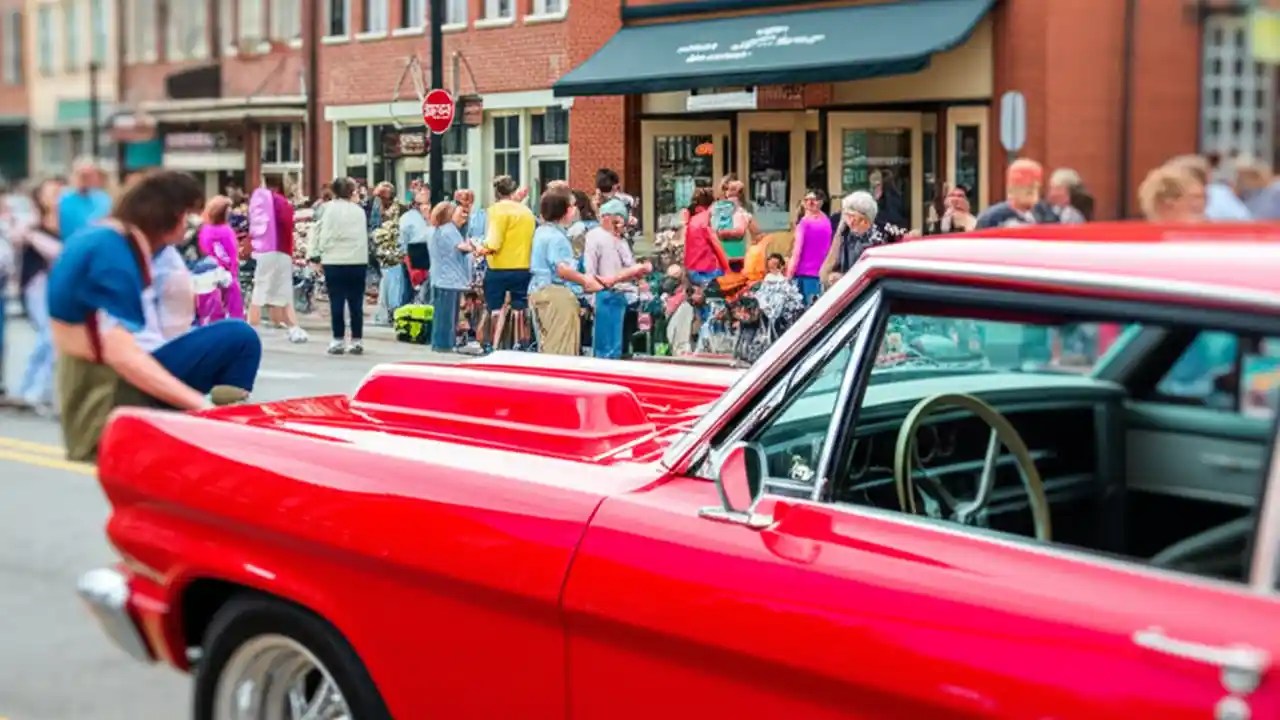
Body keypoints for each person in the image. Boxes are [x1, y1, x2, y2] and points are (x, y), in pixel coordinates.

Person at [47, 170, 262, 462]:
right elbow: (119, 352)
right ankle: (219, 429)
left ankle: (214, 425)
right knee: (241, 337)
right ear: (168, 215)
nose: (189, 224)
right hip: (112, 386)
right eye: (186, 214)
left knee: (237, 337)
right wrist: (199, 404)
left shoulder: (108, 240)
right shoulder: (113, 255)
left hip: (99, 377)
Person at [528, 191, 605, 356]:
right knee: (562, 348)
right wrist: (585, 281)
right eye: (572, 206)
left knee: (547, 344)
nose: (575, 209)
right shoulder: (557, 237)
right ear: (564, 210)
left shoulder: (541, 231)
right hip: (557, 294)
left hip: (538, 290)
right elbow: (562, 269)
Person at [15, 179, 63, 413]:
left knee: (51, 339)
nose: (56, 197)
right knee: (48, 335)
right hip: (37, 283)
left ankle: (38, 391)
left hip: (59, 284)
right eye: (51, 192)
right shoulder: (30, 223)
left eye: (58, 192)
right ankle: (31, 391)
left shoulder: (68, 222)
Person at [309, 177, 372, 355]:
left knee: (336, 301)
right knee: (356, 302)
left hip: (333, 260)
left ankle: (338, 340)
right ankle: (357, 340)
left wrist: (316, 255)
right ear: (351, 191)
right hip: (357, 260)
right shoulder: (358, 211)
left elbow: (318, 232)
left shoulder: (325, 209)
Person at [476, 175, 535, 353]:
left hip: (499, 268)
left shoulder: (496, 211)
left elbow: (494, 243)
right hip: (523, 266)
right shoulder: (526, 212)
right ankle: (520, 343)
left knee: (495, 307)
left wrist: (480, 248)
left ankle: (493, 345)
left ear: (495, 192)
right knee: (520, 307)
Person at [585, 199, 652, 359]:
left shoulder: (618, 240)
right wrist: (592, 298)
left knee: (613, 347)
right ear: (607, 217)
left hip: (618, 295)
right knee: (608, 347)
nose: (620, 226)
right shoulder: (597, 237)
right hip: (606, 294)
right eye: (617, 221)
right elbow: (591, 268)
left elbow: (629, 264)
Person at [246, 177, 307, 342]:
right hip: (283, 250)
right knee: (283, 291)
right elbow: (287, 223)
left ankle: (253, 325)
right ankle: (291, 325)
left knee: (260, 288)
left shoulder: (262, 201)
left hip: (265, 250)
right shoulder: (283, 202)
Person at [426, 200, 474, 352]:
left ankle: (441, 343)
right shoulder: (449, 230)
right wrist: (478, 247)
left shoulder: (438, 230)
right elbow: (462, 247)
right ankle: (444, 344)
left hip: (441, 278)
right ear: (450, 214)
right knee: (447, 316)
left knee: (442, 314)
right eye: (460, 213)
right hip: (448, 279)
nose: (463, 217)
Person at [819, 191, 886, 288]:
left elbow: (873, 281)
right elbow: (824, 273)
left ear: (866, 219)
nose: (849, 221)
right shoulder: (845, 235)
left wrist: (845, 279)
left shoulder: (878, 239)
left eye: (852, 216)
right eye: (846, 215)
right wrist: (831, 277)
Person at [196, 195, 245, 321]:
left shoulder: (204, 230)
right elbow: (232, 255)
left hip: (206, 273)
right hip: (225, 273)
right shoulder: (226, 231)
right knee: (233, 306)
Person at [975, 159, 1060, 229]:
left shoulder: (1047, 215)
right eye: (1027, 186)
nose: (1033, 190)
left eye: (1036, 187)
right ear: (1011, 189)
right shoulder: (991, 218)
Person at [787, 190, 833, 304]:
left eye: (812, 200)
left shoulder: (804, 223)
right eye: (806, 200)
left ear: (820, 202)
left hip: (804, 275)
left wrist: (788, 275)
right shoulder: (827, 222)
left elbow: (797, 252)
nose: (809, 203)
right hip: (821, 275)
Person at [683, 187, 730, 286]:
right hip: (708, 270)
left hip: (692, 270)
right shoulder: (708, 218)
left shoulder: (692, 219)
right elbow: (716, 245)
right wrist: (728, 269)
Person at [58, 157, 111, 241]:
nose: (85, 179)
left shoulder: (103, 199)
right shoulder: (61, 198)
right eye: (82, 175)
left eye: (89, 175)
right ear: (73, 176)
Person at [1138, 164, 1207, 223]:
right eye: (1195, 197)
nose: (1202, 203)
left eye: (1204, 197)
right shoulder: (1139, 237)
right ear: (1168, 202)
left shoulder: (1207, 235)